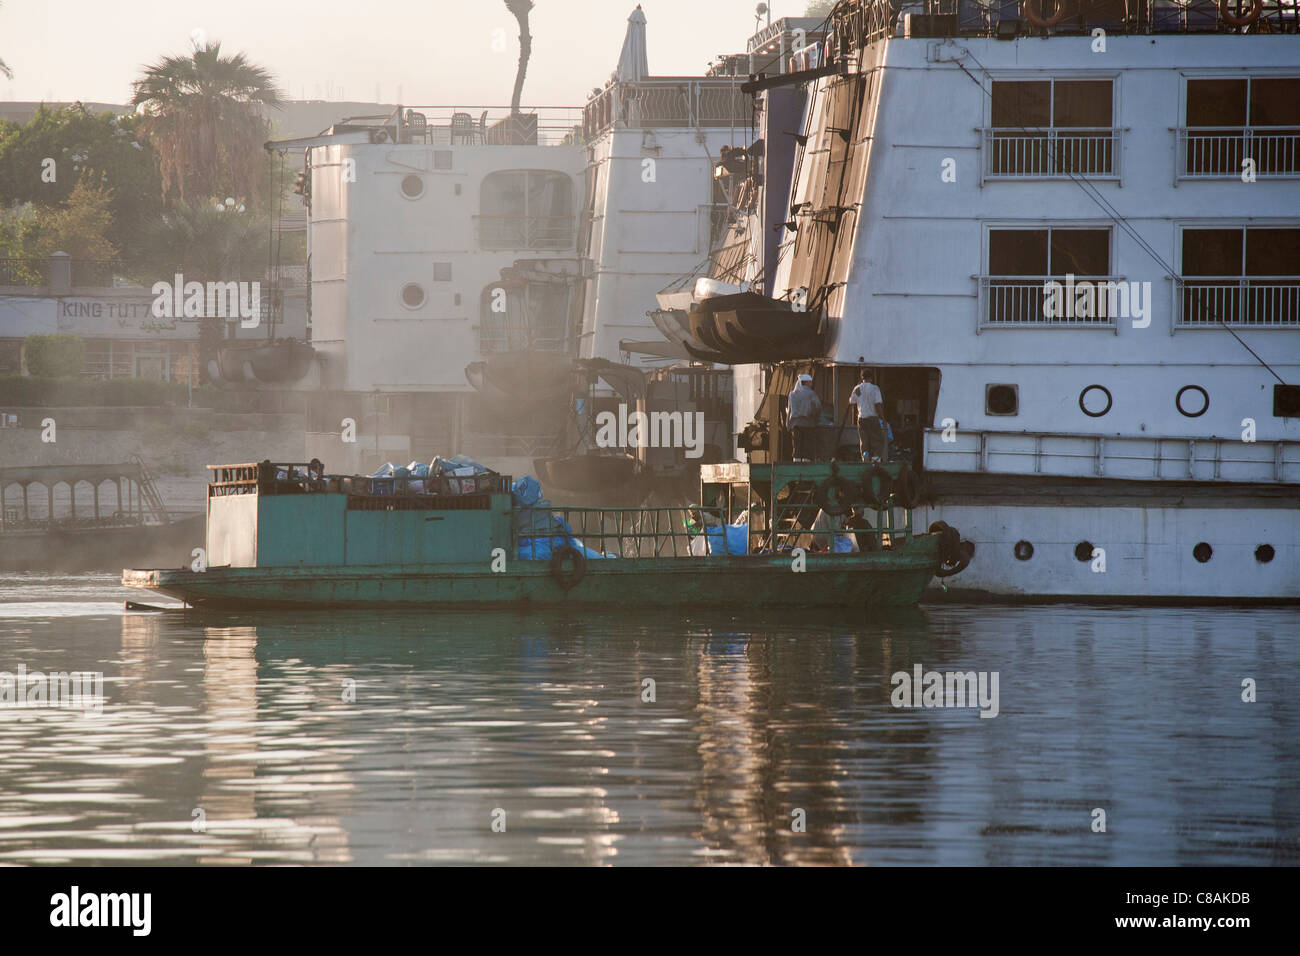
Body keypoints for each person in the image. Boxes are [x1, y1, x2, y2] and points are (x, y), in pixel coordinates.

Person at [849, 368, 889, 463]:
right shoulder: (875, 388)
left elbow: (851, 401)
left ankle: (865, 458)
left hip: (861, 418)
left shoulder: (857, 388)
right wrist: (883, 419)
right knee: (876, 439)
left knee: (864, 440)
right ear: (871, 378)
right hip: (873, 418)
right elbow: (878, 404)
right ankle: (875, 458)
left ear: (862, 377)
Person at [786, 373, 822, 462]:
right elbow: (818, 406)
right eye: (810, 382)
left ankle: (796, 461)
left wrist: (788, 425)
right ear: (805, 382)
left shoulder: (792, 394)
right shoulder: (811, 393)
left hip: (795, 424)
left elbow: (789, 410)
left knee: (797, 445)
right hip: (808, 423)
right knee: (807, 446)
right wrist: (814, 417)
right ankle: (806, 463)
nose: (811, 384)